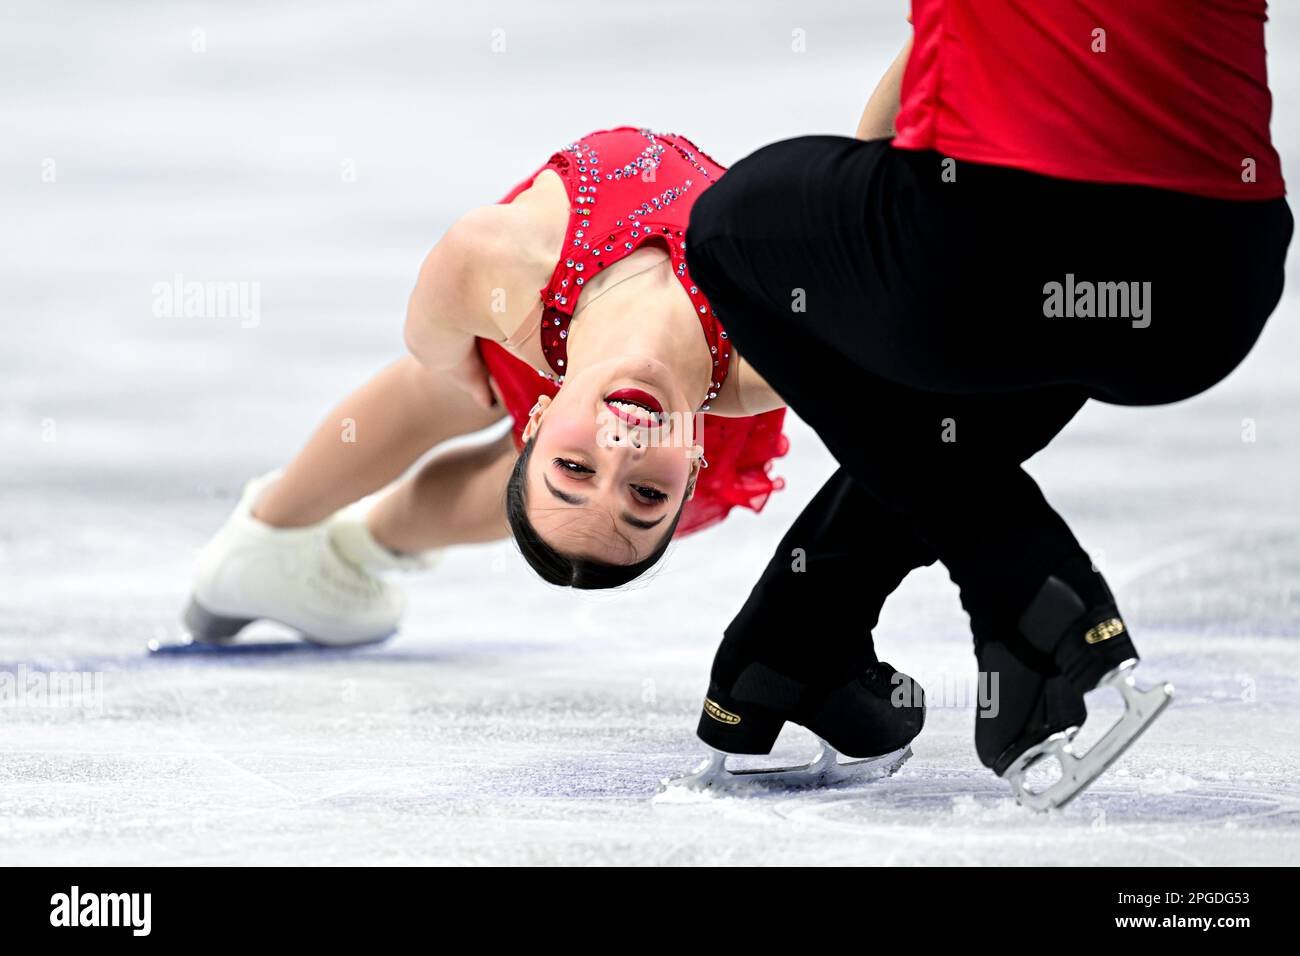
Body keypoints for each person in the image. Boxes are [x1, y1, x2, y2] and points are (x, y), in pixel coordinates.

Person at [679, 1, 1292, 806]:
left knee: (732, 229)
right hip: (1212, 286)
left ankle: (1031, 596)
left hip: (996, 247)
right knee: (995, 370)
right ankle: (794, 647)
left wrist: (864, 308)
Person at [185, 126, 794, 648]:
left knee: (453, 381)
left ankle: (329, 543)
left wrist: (461, 368)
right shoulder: (773, 354)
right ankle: (297, 547)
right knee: (471, 390)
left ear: (539, 419)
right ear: (690, 468)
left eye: (576, 469)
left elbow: (429, 344)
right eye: (645, 493)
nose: (620, 452)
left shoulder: (495, 264)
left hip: (543, 297)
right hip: (582, 320)